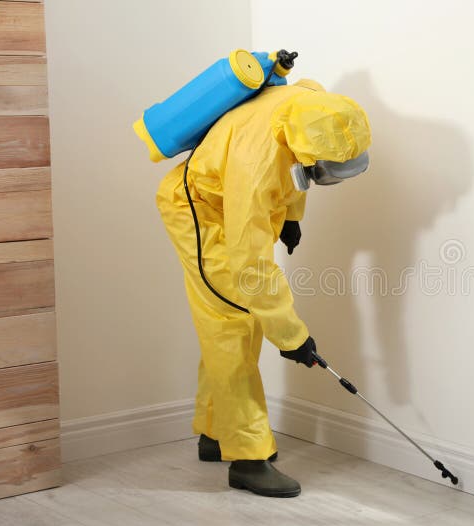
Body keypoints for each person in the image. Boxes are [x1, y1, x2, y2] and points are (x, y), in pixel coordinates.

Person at [156, 78, 371, 497]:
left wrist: (293, 214)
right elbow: (250, 265)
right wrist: (292, 336)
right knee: (233, 326)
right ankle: (248, 459)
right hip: (201, 211)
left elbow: (295, 166)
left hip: (231, 202)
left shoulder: (313, 103)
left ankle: (216, 432)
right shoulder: (253, 167)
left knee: (228, 328)